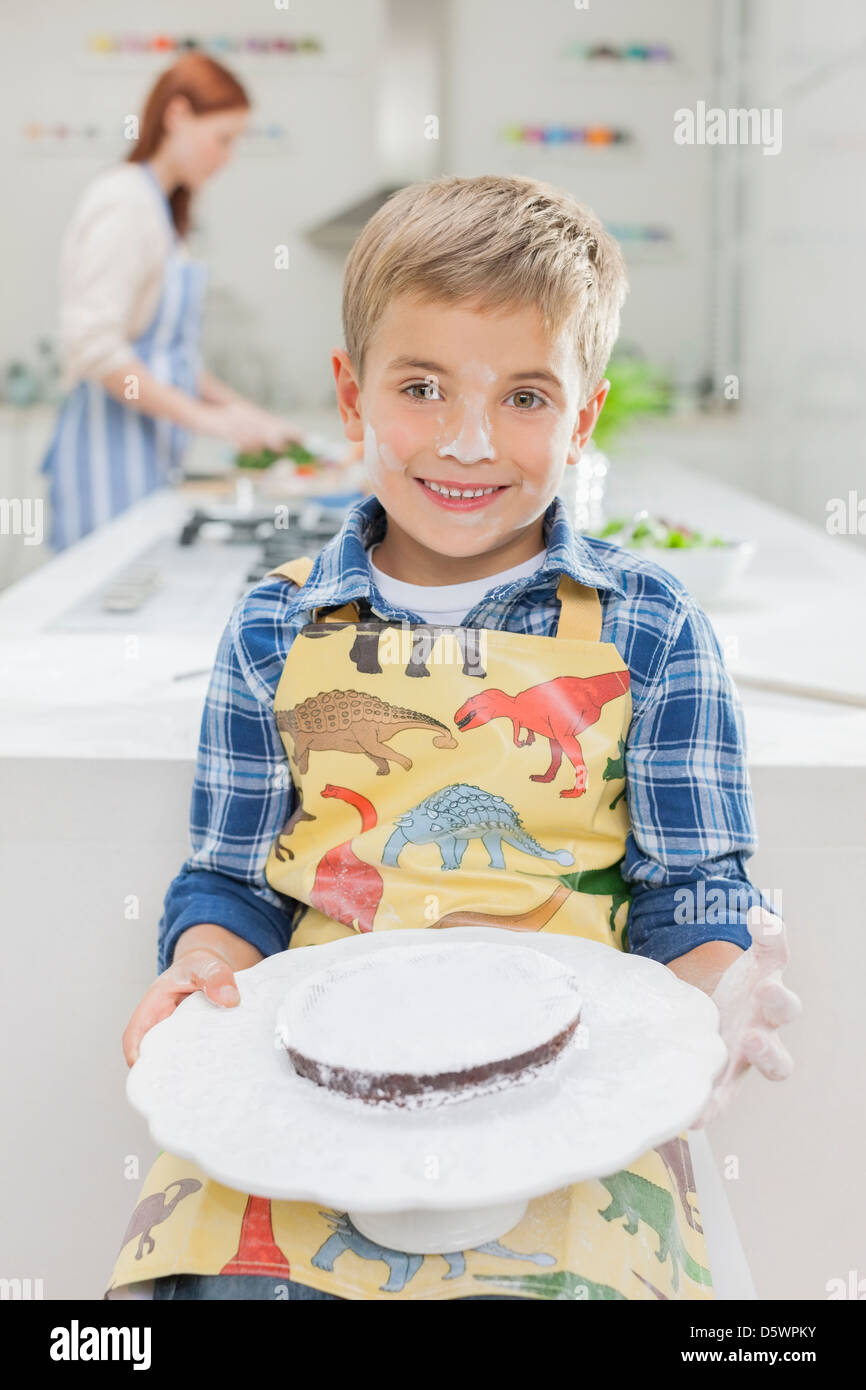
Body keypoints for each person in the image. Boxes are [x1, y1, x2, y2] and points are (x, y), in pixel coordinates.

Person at [107, 175, 800, 1301]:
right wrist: (201, 968)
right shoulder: (274, 626)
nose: (468, 440)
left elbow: (689, 896)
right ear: (350, 396)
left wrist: (714, 986)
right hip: (307, 1086)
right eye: (422, 387)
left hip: (569, 1092)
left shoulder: (654, 626)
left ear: (582, 417)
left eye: (525, 396)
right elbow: (230, 880)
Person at [40, 54, 298, 552]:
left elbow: (170, 358)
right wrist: (206, 420)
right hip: (105, 464)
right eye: (223, 138)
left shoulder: (163, 215)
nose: (227, 157)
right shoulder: (124, 203)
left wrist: (245, 415)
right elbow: (96, 349)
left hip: (147, 465)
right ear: (177, 116)